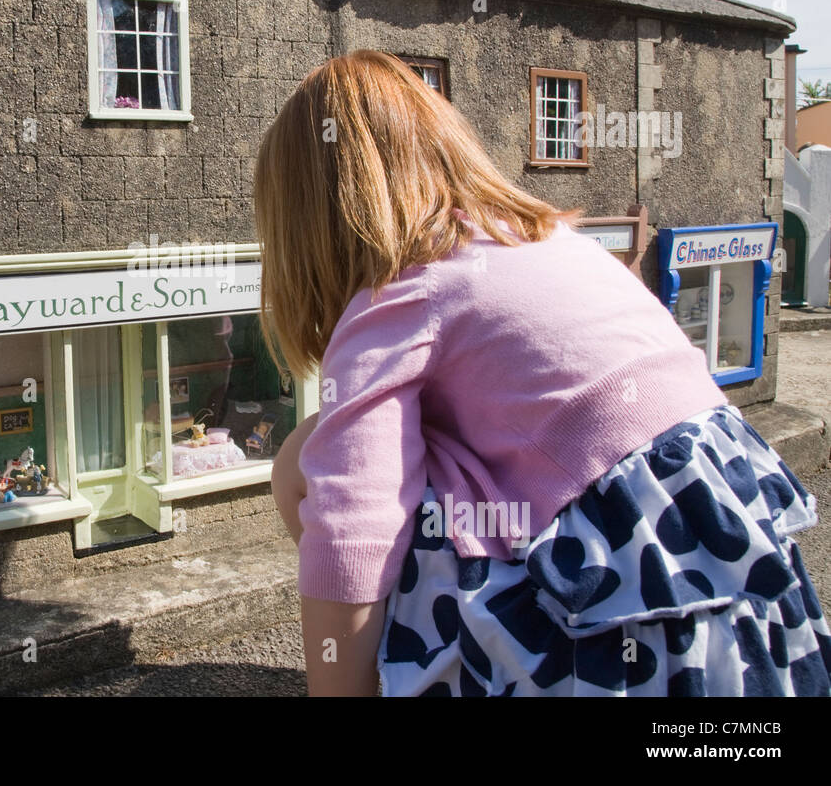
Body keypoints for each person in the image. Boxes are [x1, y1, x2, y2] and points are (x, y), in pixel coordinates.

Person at [257, 50, 830, 697]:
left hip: (618, 605)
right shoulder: (551, 241)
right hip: (738, 569)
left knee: (305, 461)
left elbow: (351, 531)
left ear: (307, 216)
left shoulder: (400, 289)